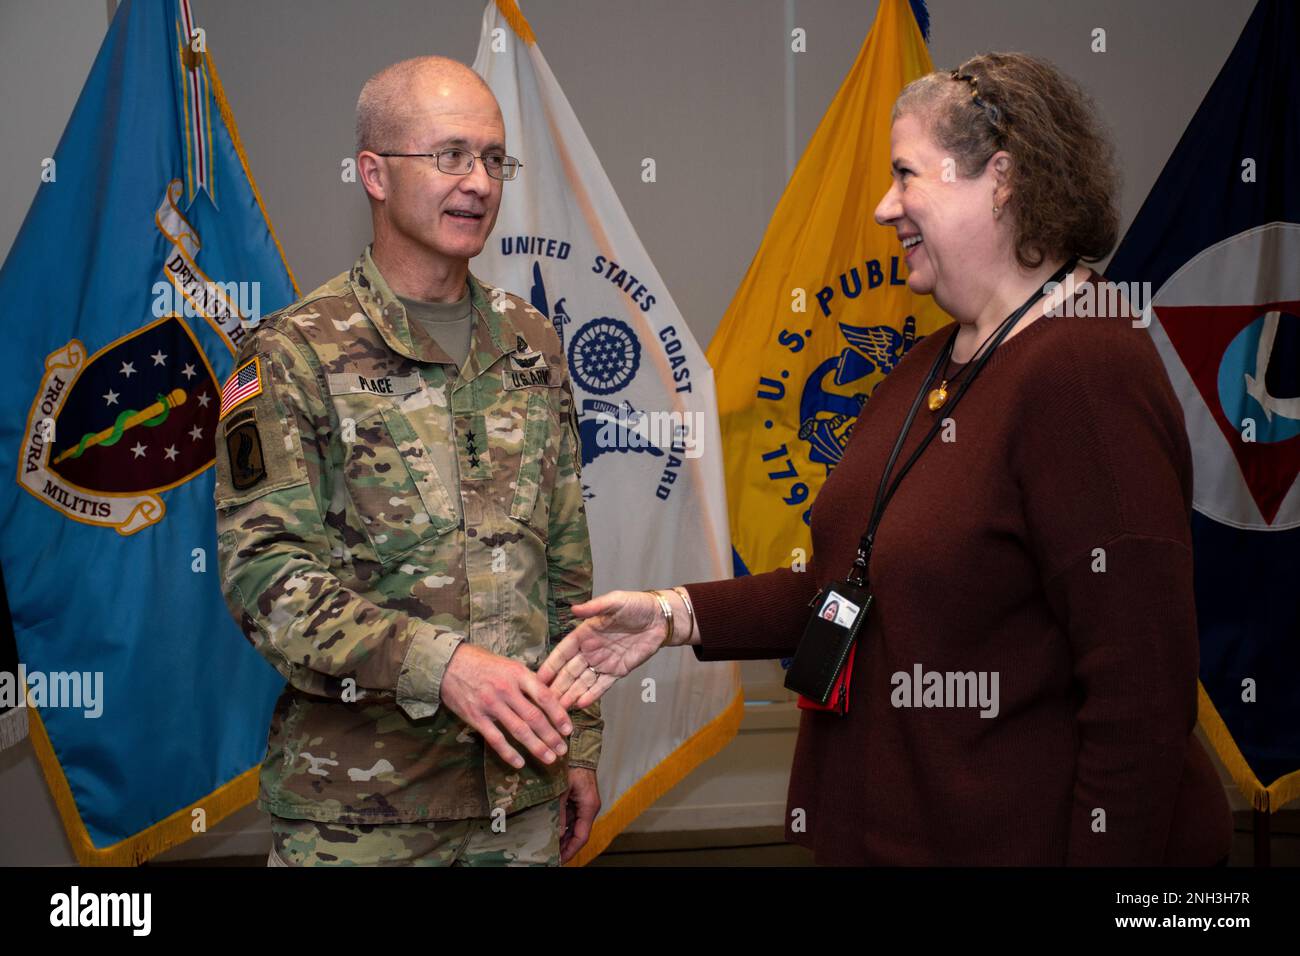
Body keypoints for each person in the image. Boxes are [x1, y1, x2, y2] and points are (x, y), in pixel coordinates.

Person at [540, 52, 1234, 866]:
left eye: (906, 176)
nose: (883, 207)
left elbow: (1141, 692)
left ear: (1002, 179)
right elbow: (851, 586)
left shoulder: (1086, 368)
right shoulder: (930, 362)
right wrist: (670, 615)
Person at [214, 56, 600, 866]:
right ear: (375, 174)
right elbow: (266, 580)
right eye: (451, 155)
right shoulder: (291, 354)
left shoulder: (529, 341)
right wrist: (444, 666)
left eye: (495, 159)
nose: (480, 183)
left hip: (519, 799)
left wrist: (581, 743)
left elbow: (565, 562)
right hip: (361, 820)